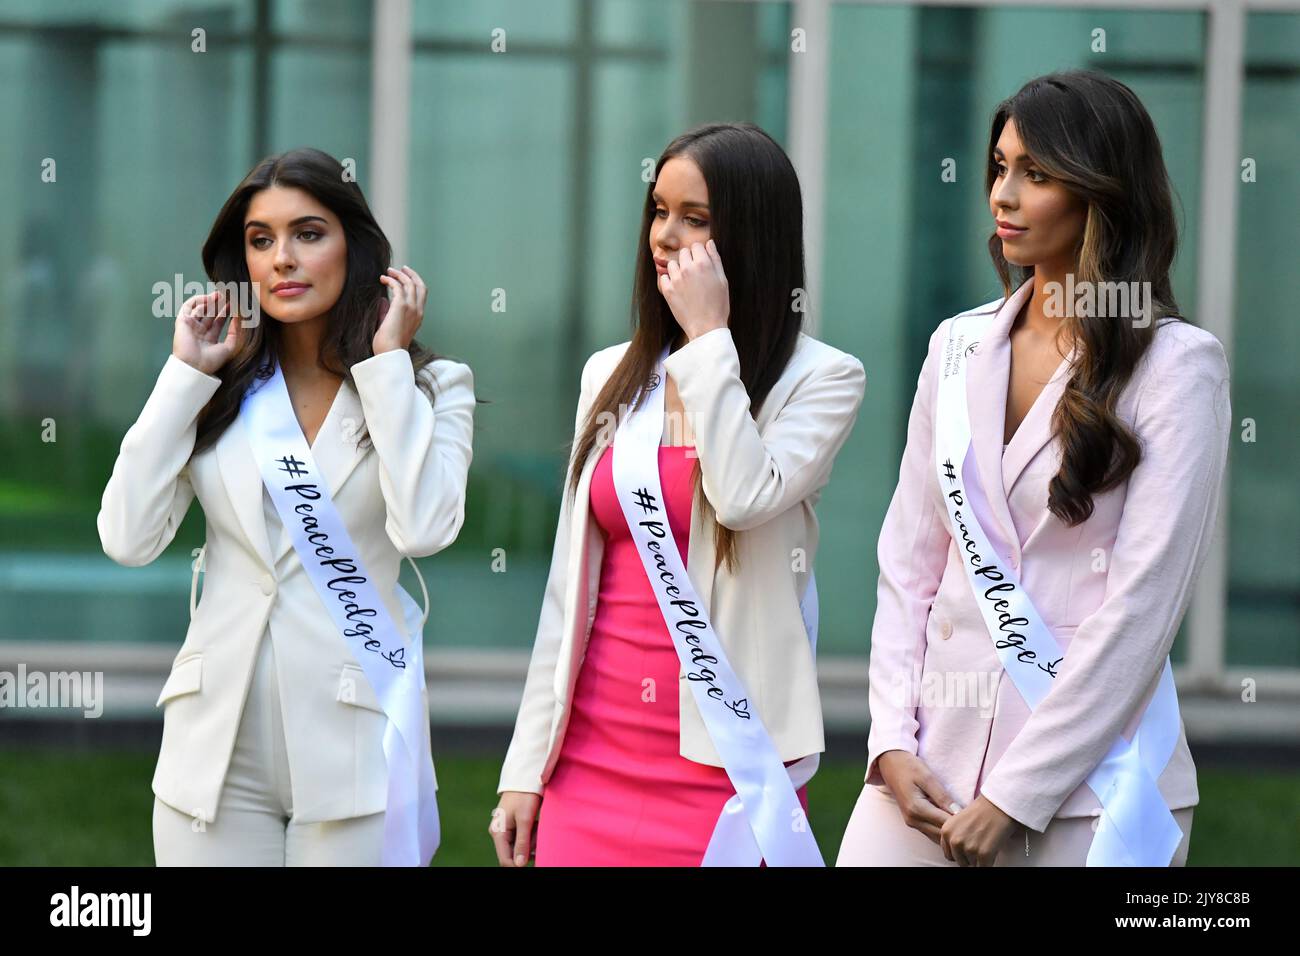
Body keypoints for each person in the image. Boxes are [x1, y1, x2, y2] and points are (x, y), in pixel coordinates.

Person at [837, 71, 1230, 867]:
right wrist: (890, 741)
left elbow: (1141, 612)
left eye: (1037, 174)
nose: (1002, 195)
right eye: (1000, 165)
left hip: (1091, 790)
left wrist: (1018, 797)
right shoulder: (955, 346)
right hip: (924, 776)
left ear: (1102, 194)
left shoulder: (1179, 366)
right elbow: (908, 567)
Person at [490, 122, 865, 867]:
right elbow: (567, 595)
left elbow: (745, 496)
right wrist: (525, 769)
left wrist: (707, 341)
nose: (665, 235)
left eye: (696, 218)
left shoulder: (822, 380)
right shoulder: (611, 375)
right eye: (659, 210)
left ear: (751, 235)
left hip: (724, 763)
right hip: (588, 757)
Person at [97, 147, 475, 866]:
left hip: (355, 743)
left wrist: (386, 366)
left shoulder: (430, 386)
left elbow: (425, 528)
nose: (282, 259)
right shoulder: (221, 382)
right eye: (261, 239)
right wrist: (184, 376)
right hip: (214, 751)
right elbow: (126, 535)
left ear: (353, 247)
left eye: (308, 233)